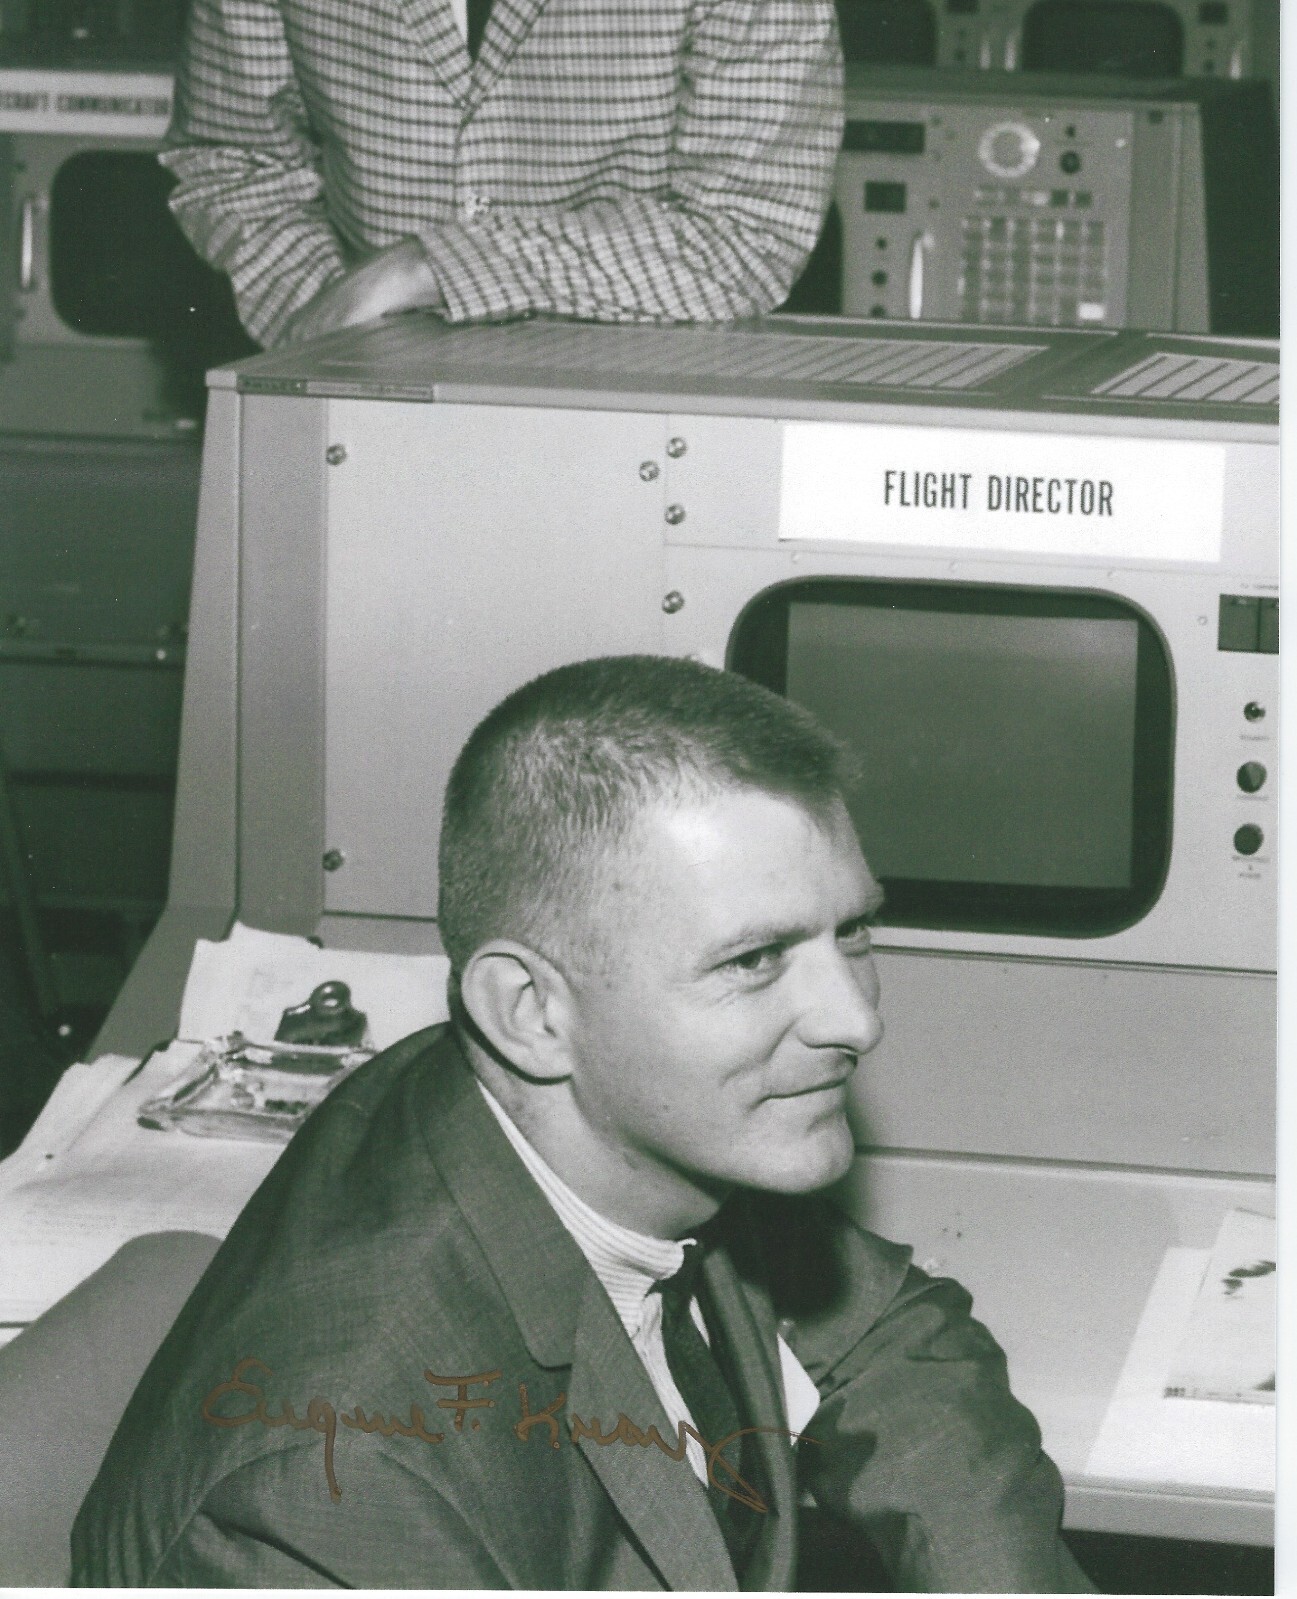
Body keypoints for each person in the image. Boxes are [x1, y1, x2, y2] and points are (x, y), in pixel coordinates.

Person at [72, 655, 1093, 1589]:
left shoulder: (623, 1123)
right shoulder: (327, 1501)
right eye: (752, 960)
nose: (854, 1021)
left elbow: (882, 1335)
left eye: (853, 930)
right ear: (529, 1012)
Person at [160, 0, 845, 348]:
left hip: (638, 426)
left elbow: (746, 233)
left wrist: (424, 268)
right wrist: (329, 336)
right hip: (360, 415)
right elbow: (234, 163)